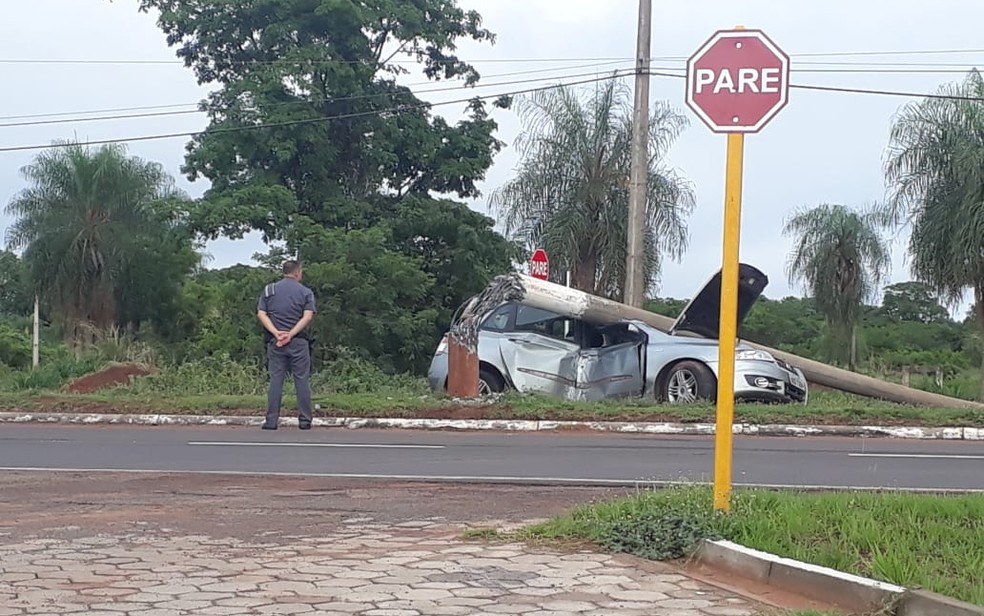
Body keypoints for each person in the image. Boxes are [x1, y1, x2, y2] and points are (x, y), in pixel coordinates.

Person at [256, 260, 317, 430]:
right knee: (301, 380)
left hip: (276, 342)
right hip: (298, 342)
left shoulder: (270, 290)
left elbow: (261, 314)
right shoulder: (305, 292)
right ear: (297, 273)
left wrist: (276, 333)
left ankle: (271, 420)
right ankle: (304, 420)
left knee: (276, 380)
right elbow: (307, 317)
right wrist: (291, 334)